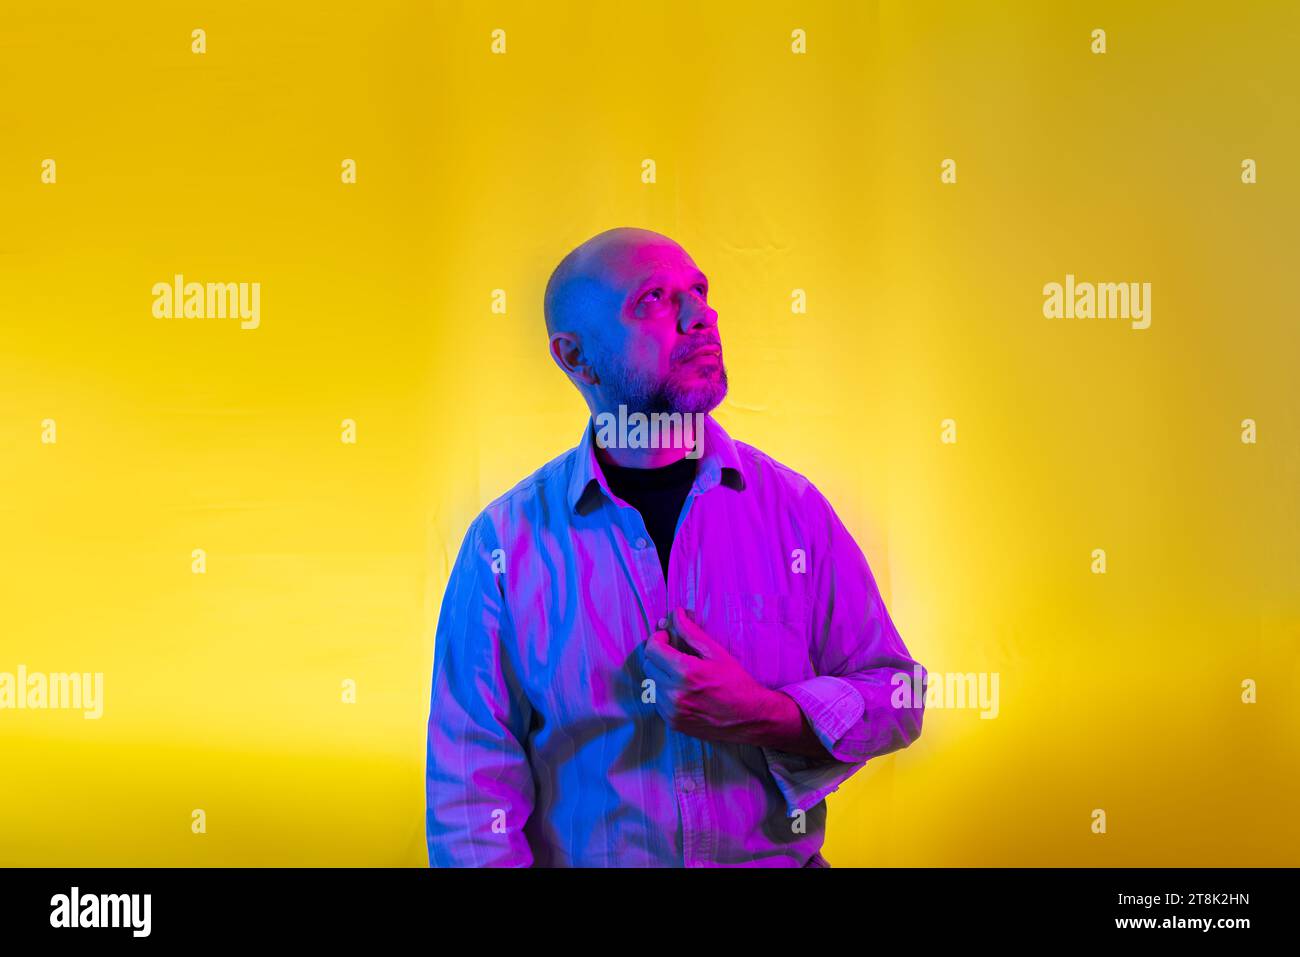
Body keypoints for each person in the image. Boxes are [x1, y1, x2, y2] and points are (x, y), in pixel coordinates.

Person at [426, 226, 927, 866]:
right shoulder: (504, 545)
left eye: (699, 290)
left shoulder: (794, 512)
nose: (702, 316)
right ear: (575, 357)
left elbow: (897, 695)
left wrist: (765, 715)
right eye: (655, 300)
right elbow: (470, 804)